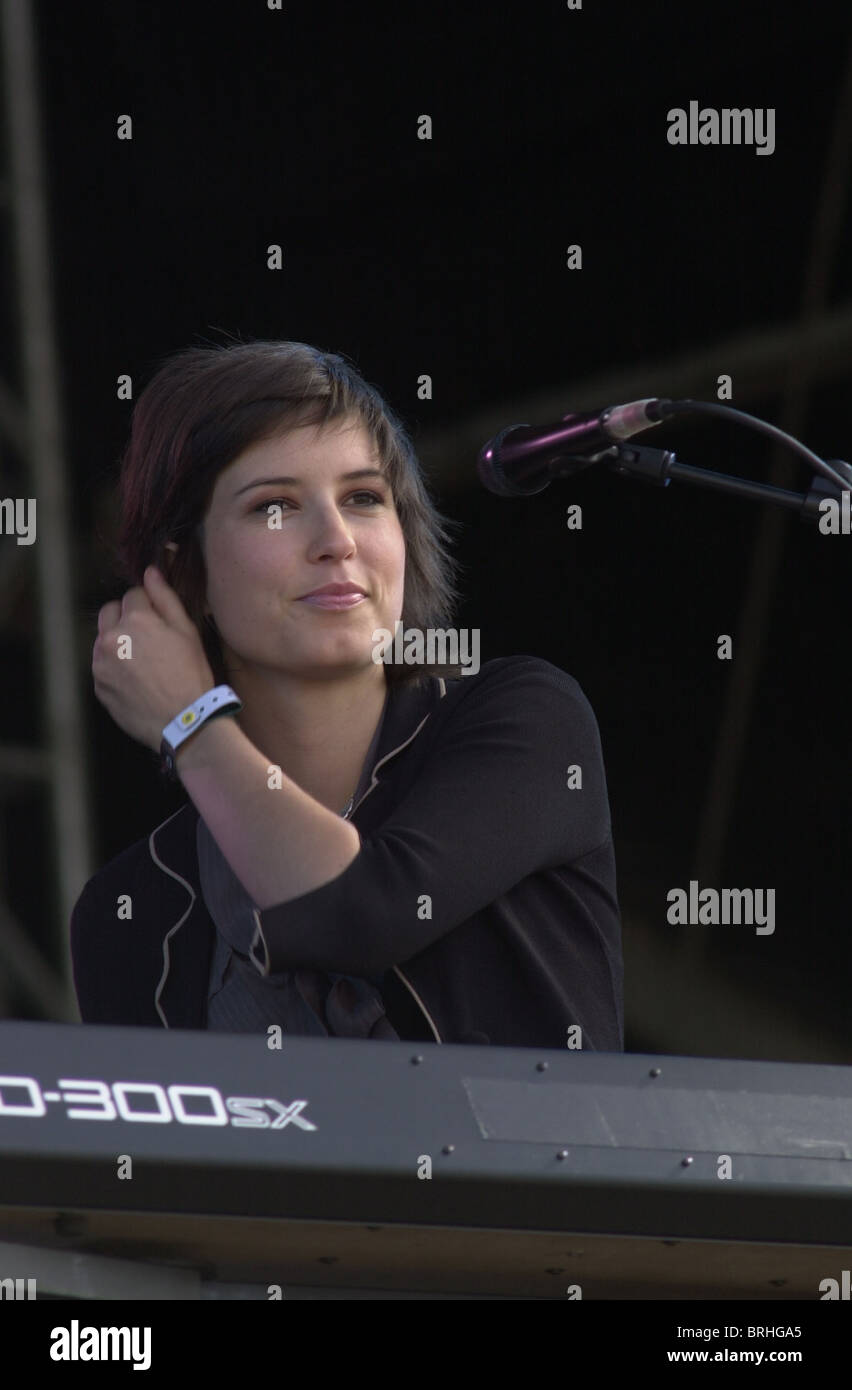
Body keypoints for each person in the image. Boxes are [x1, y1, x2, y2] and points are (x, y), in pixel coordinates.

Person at [70, 336, 624, 1050]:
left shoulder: (525, 719)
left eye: (364, 498)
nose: (337, 540)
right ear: (183, 575)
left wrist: (193, 724)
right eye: (274, 507)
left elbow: (360, 910)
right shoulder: (130, 908)